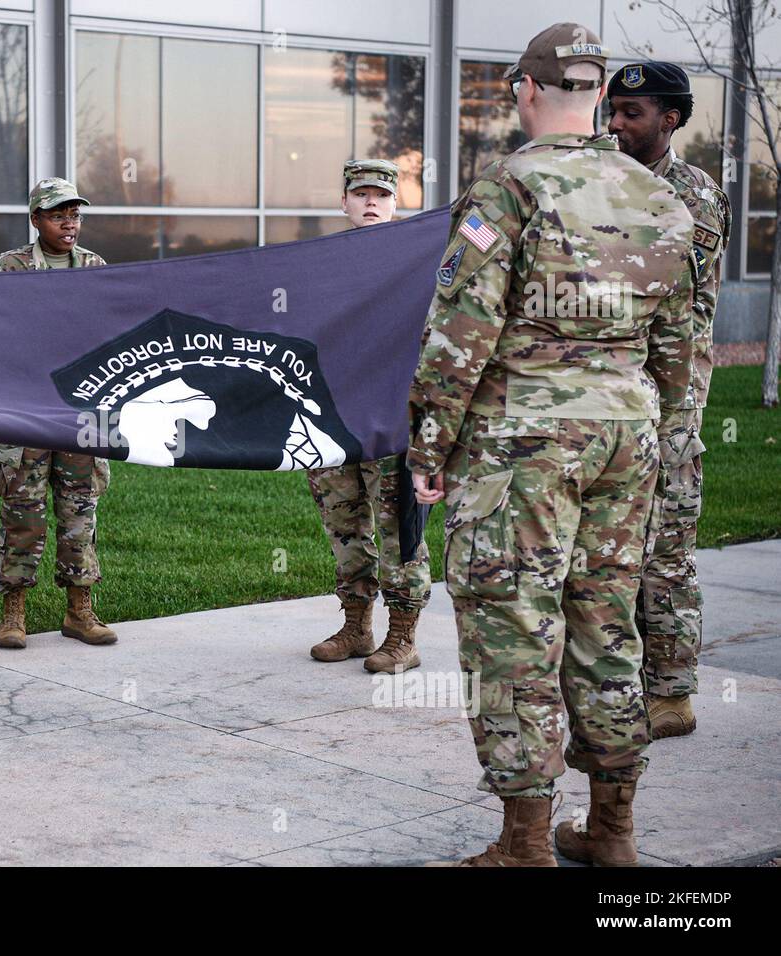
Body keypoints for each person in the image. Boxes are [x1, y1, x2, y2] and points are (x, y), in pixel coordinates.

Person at [407, 24, 696, 866]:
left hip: (523, 442)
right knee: (608, 623)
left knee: (513, 630)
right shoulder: (658, 199)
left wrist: (428, 446)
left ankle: (524, 842)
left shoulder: (509, 188)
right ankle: (612, 835)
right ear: (600, 97)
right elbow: (678, 347)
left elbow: (458, 334)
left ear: (526, 92)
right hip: (628, 437)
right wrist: (657, 429)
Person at [608, 62, 732, 739]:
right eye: (613, 110)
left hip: (670, 399)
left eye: (632, 112)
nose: (616, 123)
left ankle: (673, 694)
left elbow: (671, 302)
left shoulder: (692, 194)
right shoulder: (604, 178)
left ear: (671, 119)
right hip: (614, 395)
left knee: (665, 548)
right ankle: (619, 684)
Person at [307, 159, 432, 672]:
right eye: (361, 194)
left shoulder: (418, 259)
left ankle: (402, 635)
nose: (371, 202)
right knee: (343, 523)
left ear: (396, 202)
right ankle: (356, 626)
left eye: (381, 194)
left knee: (399, 527)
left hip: (394, 417)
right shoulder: (321, 261)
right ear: (344, 202)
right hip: (333, 415)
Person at [0, 177, 117, 650]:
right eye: (59, 214)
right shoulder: (10, 268)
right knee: (23, 510)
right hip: (26, 412)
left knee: (80, 508)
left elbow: (111, 337)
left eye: (75, 215)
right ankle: (13, 612)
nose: (69, 223)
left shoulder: (94, 268)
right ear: (36, 218)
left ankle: (80, 610)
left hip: (80, 411)